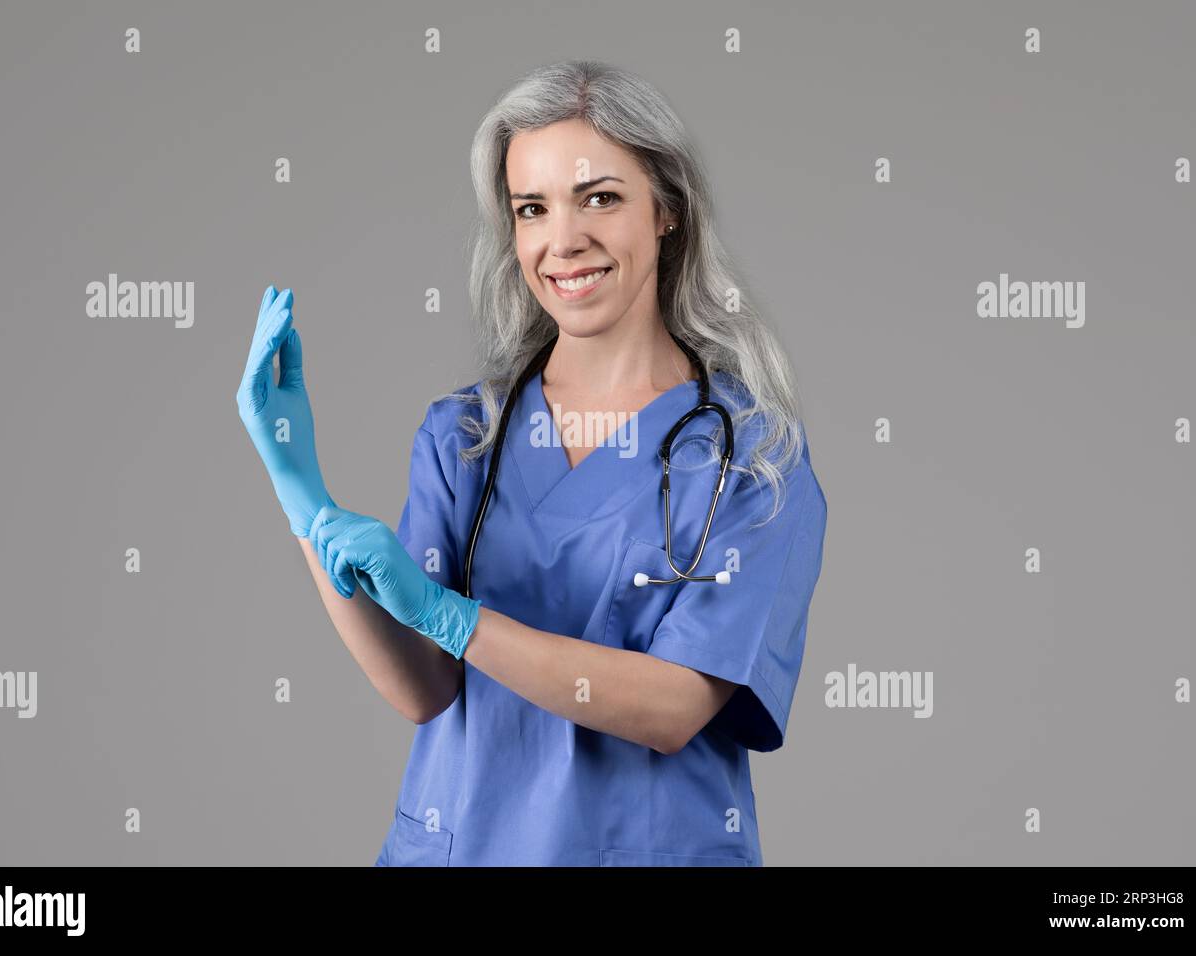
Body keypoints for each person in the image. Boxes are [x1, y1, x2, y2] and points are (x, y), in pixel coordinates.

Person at [237, 60, 827, 866]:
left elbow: (675, 705)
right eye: (532, 209)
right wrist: (302, 497)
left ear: (668, 212)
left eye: (601, 198)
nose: (564, 239)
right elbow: (423, 690)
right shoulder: (464, 437)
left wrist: (454, 615)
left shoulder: (750, 459)